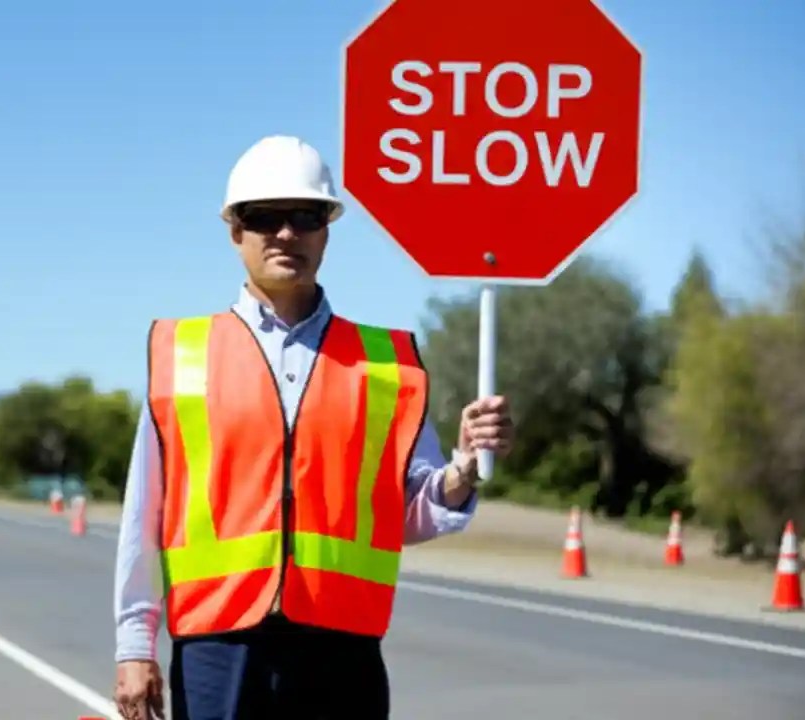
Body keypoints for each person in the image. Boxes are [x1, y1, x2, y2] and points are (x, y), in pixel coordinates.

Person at [112, 135, 515, 720]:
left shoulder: (387, 364)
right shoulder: (184, 354)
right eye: (264, 218)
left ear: (326, 230)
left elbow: (407, 513)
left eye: (305, 216)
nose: (285, 233)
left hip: (341, 649)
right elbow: (143, 513)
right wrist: (134, 646)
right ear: (235, 231)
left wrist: (465, 468)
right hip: (219, 645)